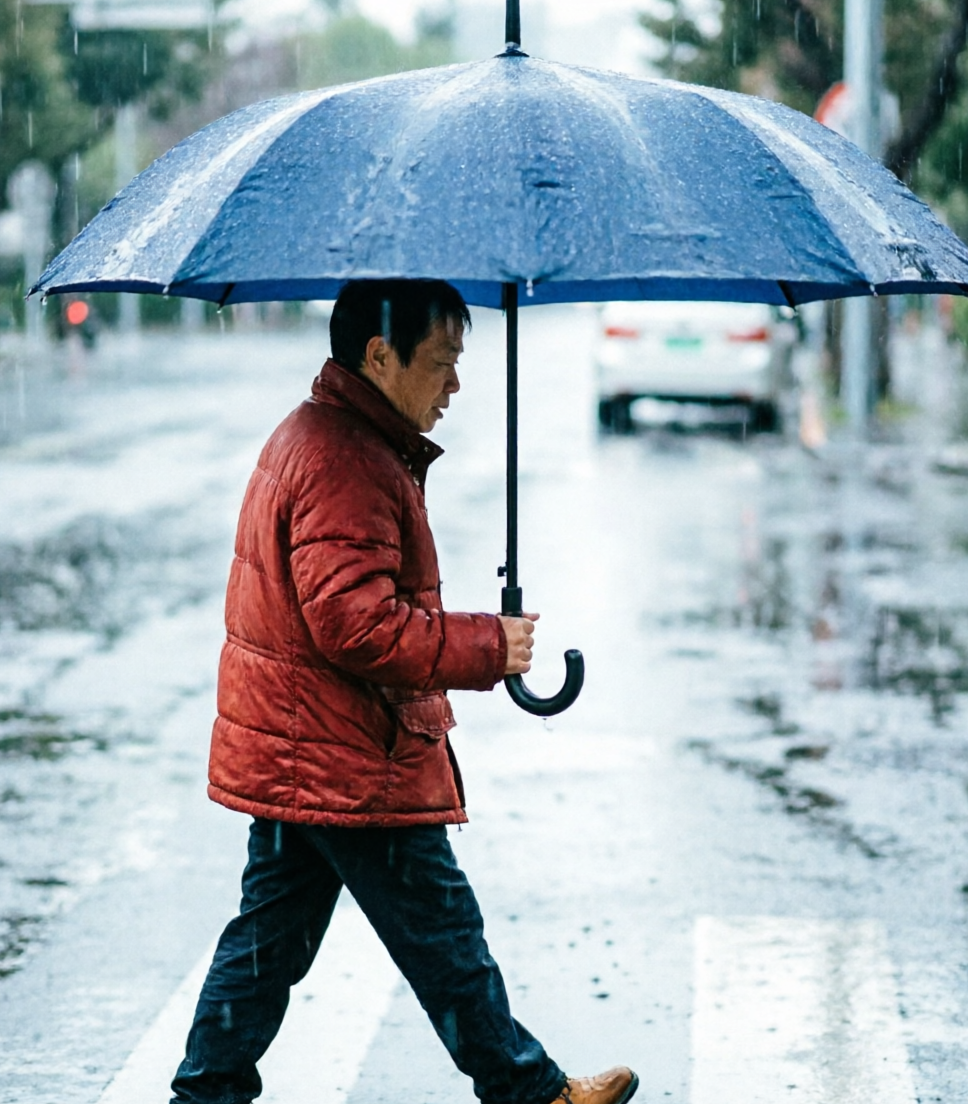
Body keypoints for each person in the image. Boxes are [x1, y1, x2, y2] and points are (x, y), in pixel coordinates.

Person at [171, 279, 638, 1104]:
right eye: (441, 363)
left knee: (266, 946)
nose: (454, 385)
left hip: (303, 746)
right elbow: (355, 625)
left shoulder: (329, 436)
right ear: (379, 356)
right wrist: (491, 645)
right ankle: (533, 1095)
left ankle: (203, 1097)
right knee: (443, 937)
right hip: (347, 753)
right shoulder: (343, 458)